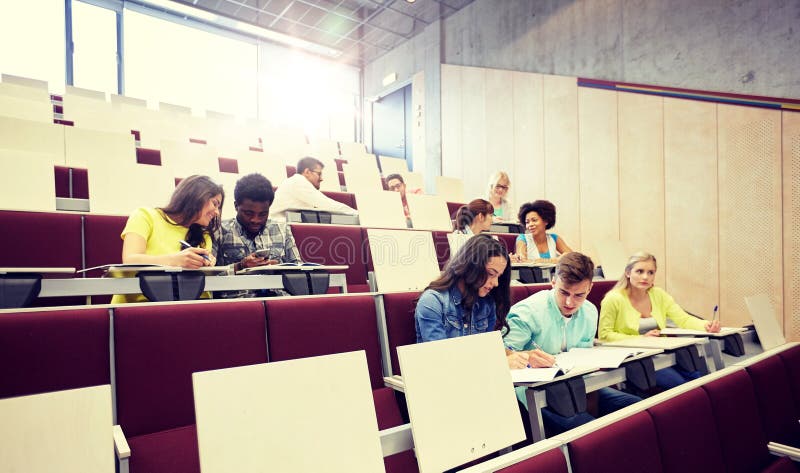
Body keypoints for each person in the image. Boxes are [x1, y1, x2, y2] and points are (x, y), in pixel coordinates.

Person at [504, 252, 641, 435]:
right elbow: (503, 356)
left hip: (579, 387)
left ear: (590, 288)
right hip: (539, 395)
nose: (570, 302)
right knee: (593, 431)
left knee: (639, 410)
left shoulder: (590, 312)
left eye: (579, 295)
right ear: (553, 282)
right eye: (563, 292)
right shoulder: (527, 312)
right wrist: (526, 359)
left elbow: (584, 360)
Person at [598, 252, 721, 389]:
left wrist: (706, 325)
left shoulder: (658, 294)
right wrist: (641, 338)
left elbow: (683, 319)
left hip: (662, 354)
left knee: (699, 378)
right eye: (640, 271)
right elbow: (605, 335)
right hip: (636, 360)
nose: (645, 277)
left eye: (651, 272)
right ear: (628, 273)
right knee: (682, 386)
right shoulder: (613, 299)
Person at [415, 234, 530, 370]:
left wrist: (519, 356)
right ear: (470, 266)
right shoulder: (433, 301)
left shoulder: (487, 303)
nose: (496, 283)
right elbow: (442, 361)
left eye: (498, 276)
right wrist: (499, 363)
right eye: (491, 273)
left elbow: (487, 352)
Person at [111, 174, 223, 304]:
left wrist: (206, 265)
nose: (217, 212)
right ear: (196, 196)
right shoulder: (145, 216)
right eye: (214, 204)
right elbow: (130, 260)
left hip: (186, 305)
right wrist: (176, 260)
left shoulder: (204, 236)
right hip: (137, 305)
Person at [213, 173, 302, 298]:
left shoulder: (282, 229)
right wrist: (240, 267)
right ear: (236, 206)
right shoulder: (219, 230)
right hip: (238, 304)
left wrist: (278, 269)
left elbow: (300, 272)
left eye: (262, 214)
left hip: (280, 301)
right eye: (248, 213)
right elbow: (207, 279)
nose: (255, 220)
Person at [270, 157, 358, 220]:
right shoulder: (299, 182)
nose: (321, 178)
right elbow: (327, 204)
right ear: (307, 172)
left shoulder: (296, 182)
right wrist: (358, 214)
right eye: (319, 174)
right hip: (275, 229)